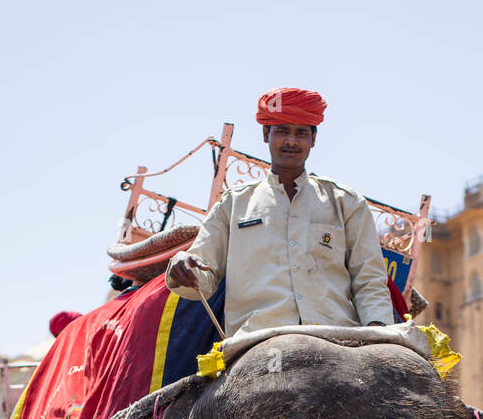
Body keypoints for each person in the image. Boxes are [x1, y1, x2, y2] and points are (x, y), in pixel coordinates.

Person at [165, 87, 394, 337]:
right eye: (283, 131)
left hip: (336, 339)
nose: (292, 141)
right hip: (253, 342)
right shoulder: (233, 205)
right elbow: (203, 275)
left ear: (313, 139)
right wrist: (182, 265)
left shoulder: (346, 202)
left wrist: (377, 331)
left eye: (301, 133)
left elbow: (369, 280)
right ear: (266, 134)